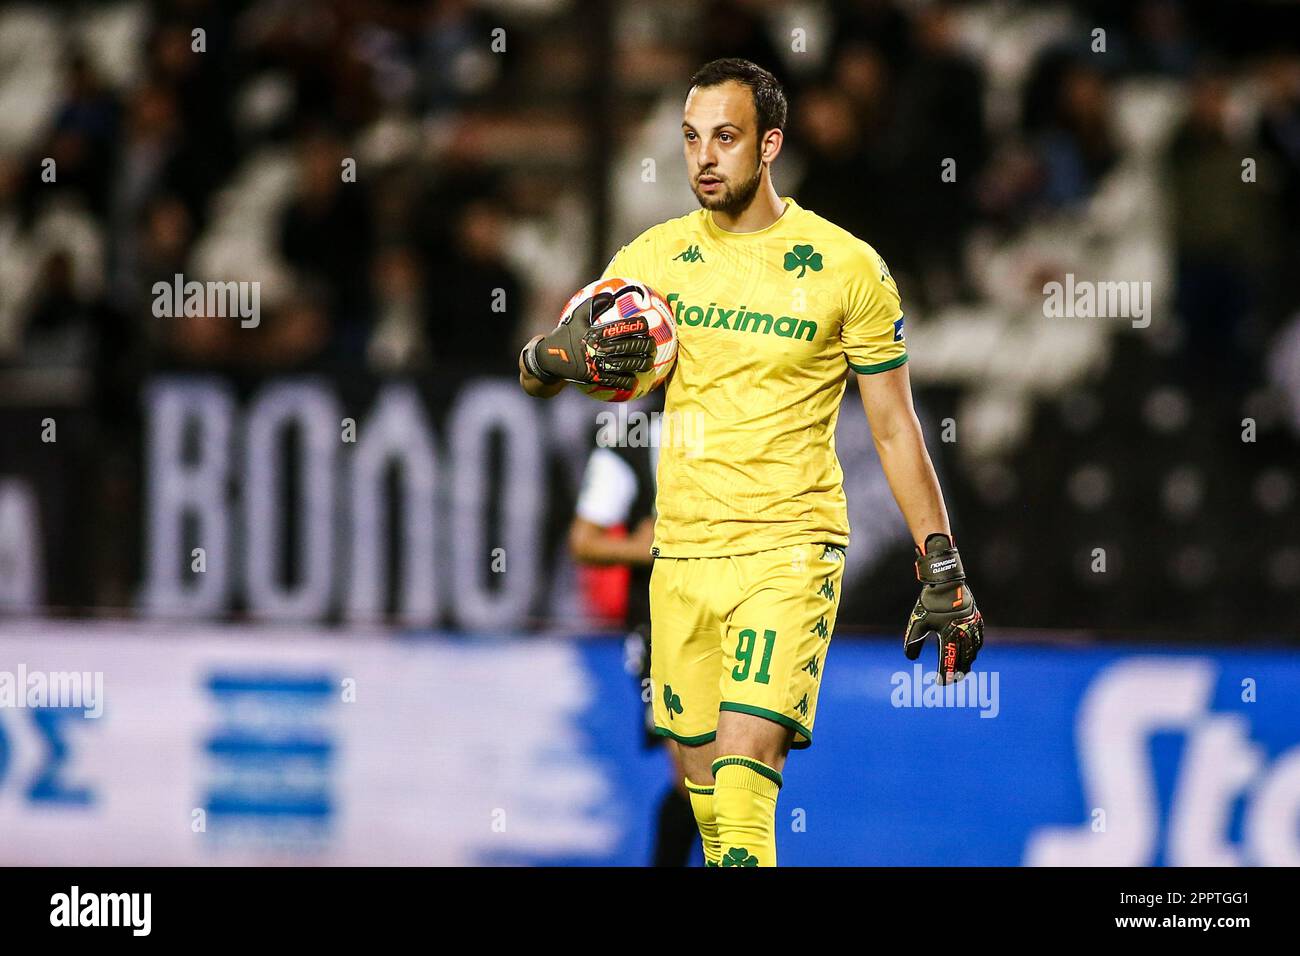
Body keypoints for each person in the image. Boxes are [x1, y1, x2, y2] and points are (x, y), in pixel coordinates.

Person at [518, 58, 983, 867]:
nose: (704, 157)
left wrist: (940, 566)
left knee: (742, 782)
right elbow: (541, 370)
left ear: (770, 144)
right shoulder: (653, 261)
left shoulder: (846, 269)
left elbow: (896, 429)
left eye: (725, 139)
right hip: (681, 563)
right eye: (692, 138)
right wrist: (554, 355)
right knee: (711, 815)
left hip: (788, 553)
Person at [568, 395, 698, 866]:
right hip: (662, 626)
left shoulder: (742, 423)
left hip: (738, 613)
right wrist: (651, 549)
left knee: (741, 774)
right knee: (693, 779)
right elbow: (584, 540)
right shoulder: (631, 437)